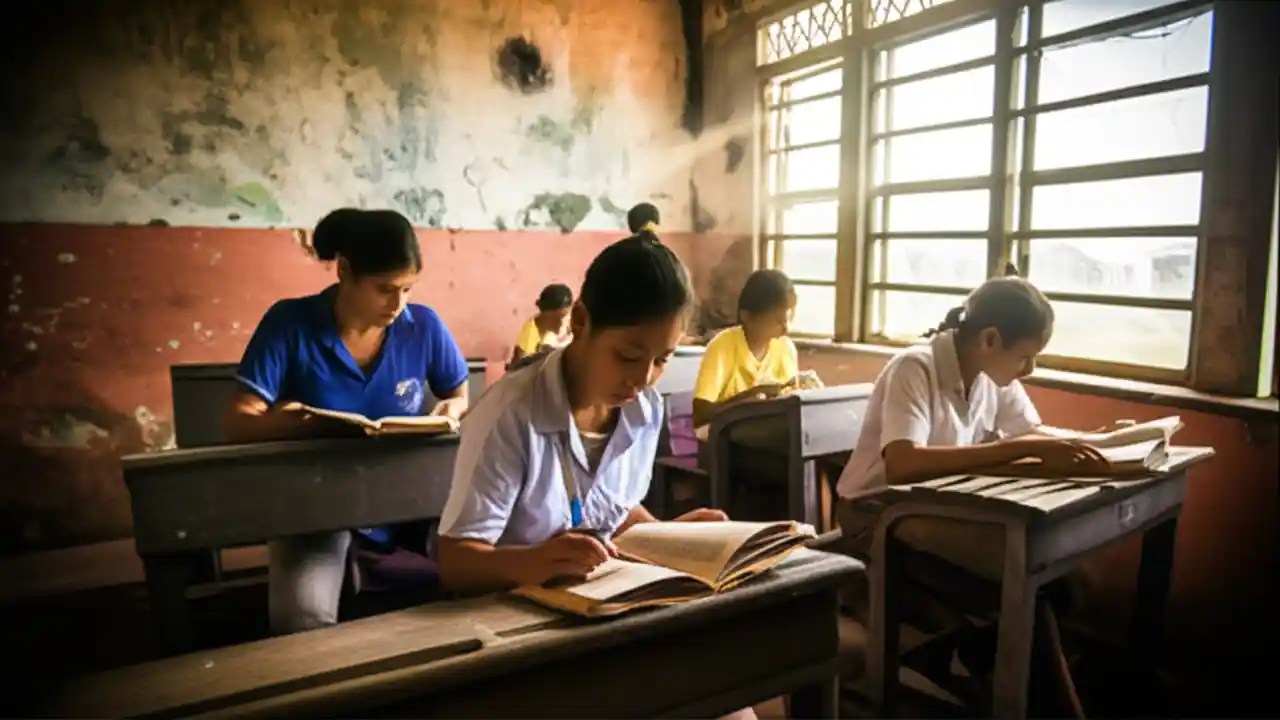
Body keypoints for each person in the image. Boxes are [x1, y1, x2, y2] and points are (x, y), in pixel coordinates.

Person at [437, 233, 754, 719]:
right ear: (580, 323)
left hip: (608, 605)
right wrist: (536, 561)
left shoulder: (644, 411)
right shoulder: (509, 416)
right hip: (515, 622)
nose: (644, 377)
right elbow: (456, 562)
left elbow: (615, 508)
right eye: (628, 356)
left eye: (662, 359)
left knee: (726, 694)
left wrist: (669, 537)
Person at [833, 275, 1107, 717]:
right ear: (991, 339)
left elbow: (1032, 431)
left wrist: (1099, 442)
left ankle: (979, 659)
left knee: (1071, 583)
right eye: (1026, 357)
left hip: (936, 507)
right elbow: (903, 463)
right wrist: (1013, 451)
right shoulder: (915, 366)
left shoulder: (990, 375)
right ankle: (1030, 694)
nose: (1029, 369)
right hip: (876, 517)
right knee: (1026, 581)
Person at [224, 207, 470, 635]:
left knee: (471, 582)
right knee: (301, 621)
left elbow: (457, 392)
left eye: (408, 289)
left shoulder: (423, 325)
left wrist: (451, 410)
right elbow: (240, 420)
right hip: (317, 502)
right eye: (384, 290)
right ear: (343, 271)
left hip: (408, 495)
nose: (398, 305)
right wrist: (297, 425)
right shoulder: (290, 323)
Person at [510, 283, 574, 368]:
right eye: (560, 317)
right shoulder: (530, 333)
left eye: (566, 316)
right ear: (547, 314)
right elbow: (518, 368)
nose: (562, 323)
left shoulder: (563, 328)